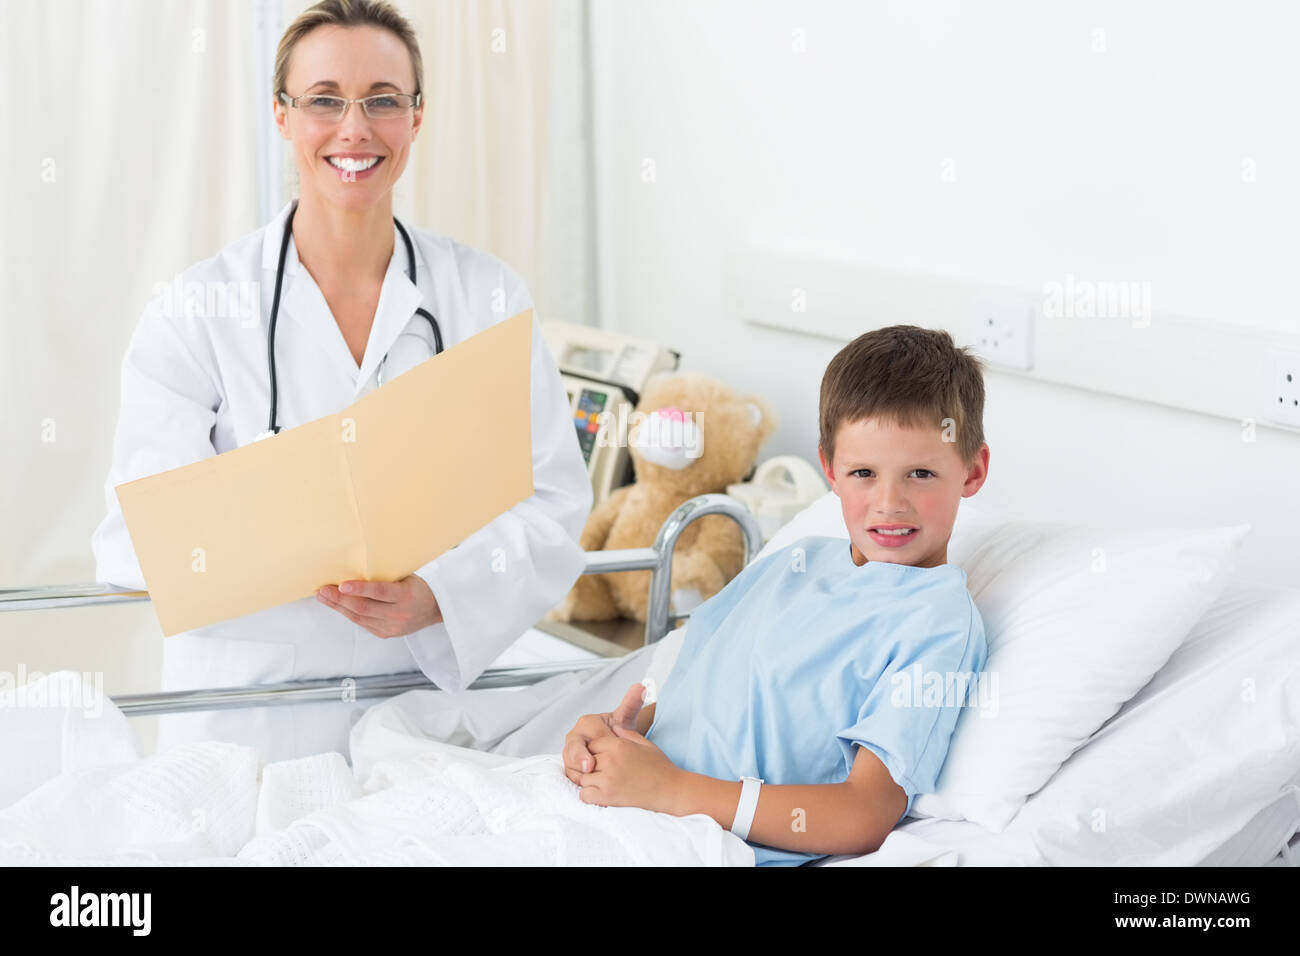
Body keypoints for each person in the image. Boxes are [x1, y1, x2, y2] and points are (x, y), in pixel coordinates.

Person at [92, 0, 592, 762]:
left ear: (416, 118)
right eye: (324, 99)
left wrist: (439, 596)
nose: (354, 129)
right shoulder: (197, 310)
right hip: (248, 722)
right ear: (282, 116)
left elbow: (553, 504)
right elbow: (138, 536)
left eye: (382, 100)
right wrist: (286, 534)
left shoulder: (486, 298)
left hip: (425, 721)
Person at [563, 325, 992, 865]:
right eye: (863, 472)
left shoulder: (937, 624)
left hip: (692, 841)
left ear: (972, 471)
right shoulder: (794, 563)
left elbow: (863, 814)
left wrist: (669, 791)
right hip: (619, 805)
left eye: (921, 474)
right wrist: (614, 739)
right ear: (829, 468)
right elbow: (705, 695)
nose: (889, 503)